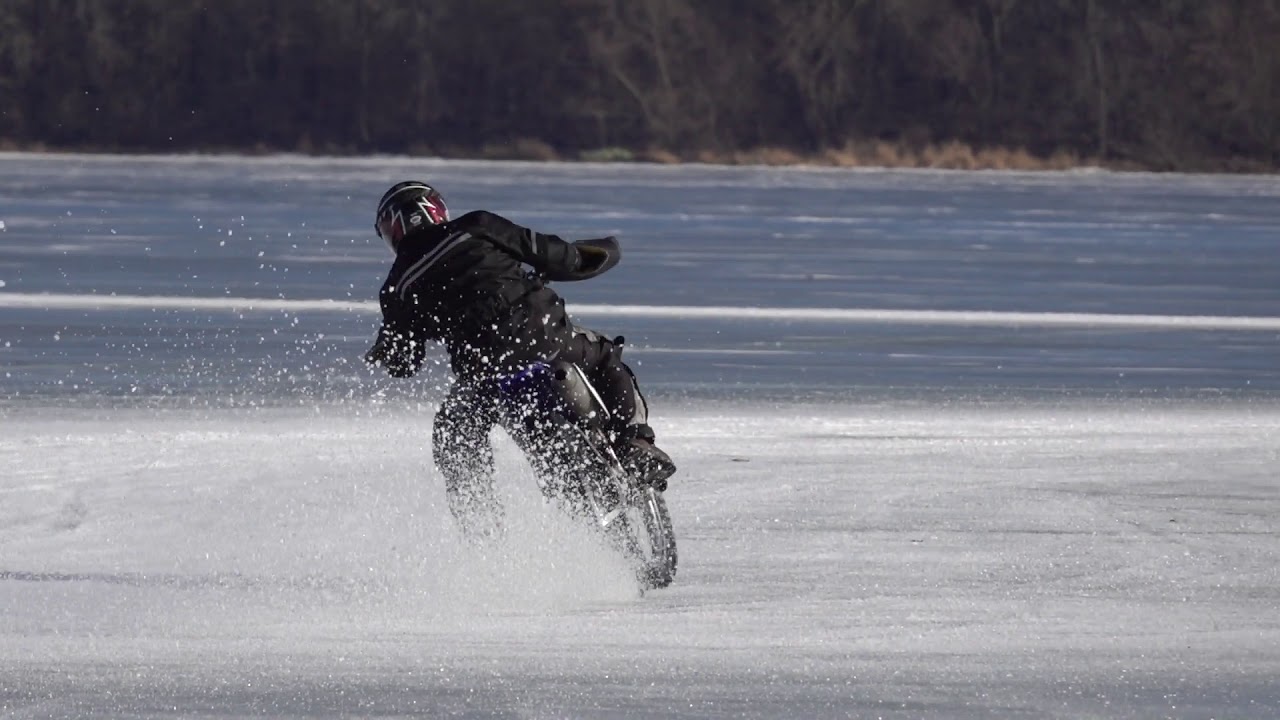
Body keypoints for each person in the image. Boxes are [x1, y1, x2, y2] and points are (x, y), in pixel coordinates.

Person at [363, 181, 675, 535]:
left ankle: (481, 523)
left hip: (482, 376)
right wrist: (603, 252)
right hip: (544, 339)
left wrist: (386, 351)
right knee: (605, 356)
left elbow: (404, 362)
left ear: (393, 228)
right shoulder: (476, 226)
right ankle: (636, 441)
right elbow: (559, 257)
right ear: (433, 209)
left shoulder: (397, 286)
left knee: (454, 430)